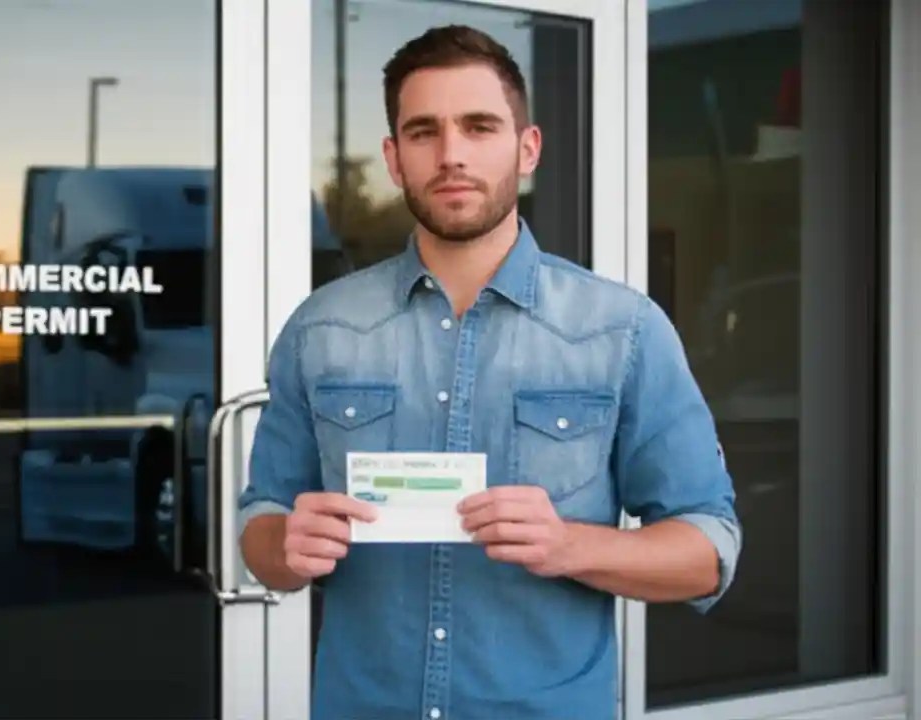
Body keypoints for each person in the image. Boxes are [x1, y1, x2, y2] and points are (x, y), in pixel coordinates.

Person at [237, 25, 741, 720]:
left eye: (479, 126)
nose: (451, 155)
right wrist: (285, 549)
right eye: (423, 132)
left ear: (526, 147)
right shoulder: (320, 328)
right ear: (393, 157)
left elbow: (708, 550)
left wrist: (570, 545)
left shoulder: (623, 330)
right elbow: (262, 521)